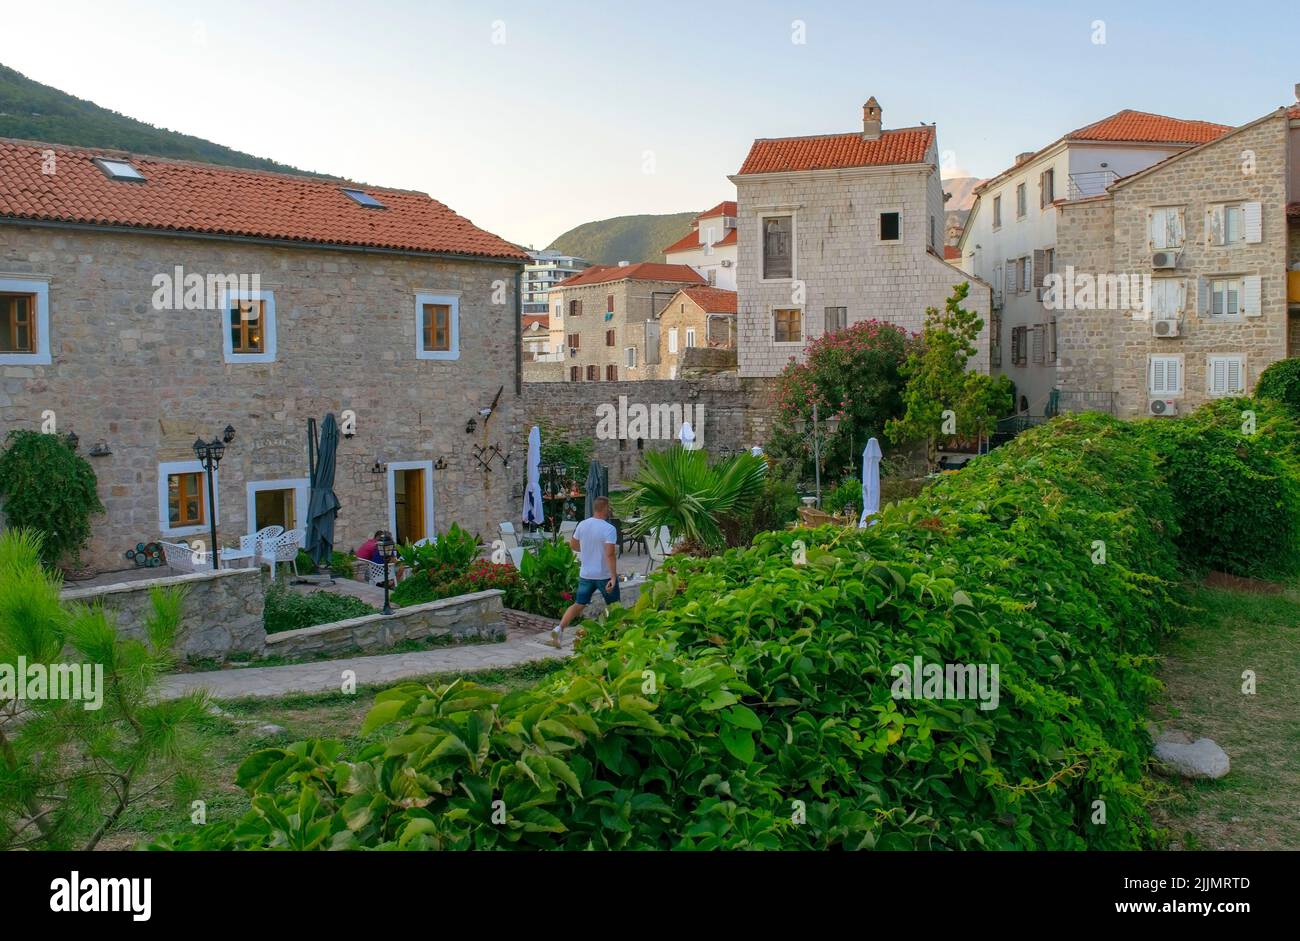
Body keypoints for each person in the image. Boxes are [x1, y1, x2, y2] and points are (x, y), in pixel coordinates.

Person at [551, 496, 619, 648]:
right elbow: (610, 554)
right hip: (603, 575)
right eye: (609, 507)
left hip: (586, 574)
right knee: (615, 606)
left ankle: (559, 629)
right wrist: (613, 577)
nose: (610, 510)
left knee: (579, 604)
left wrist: (589, 550)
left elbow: (574, 545)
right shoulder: (609, 529)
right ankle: (614, 637)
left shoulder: (582, 524)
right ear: (604, 508)